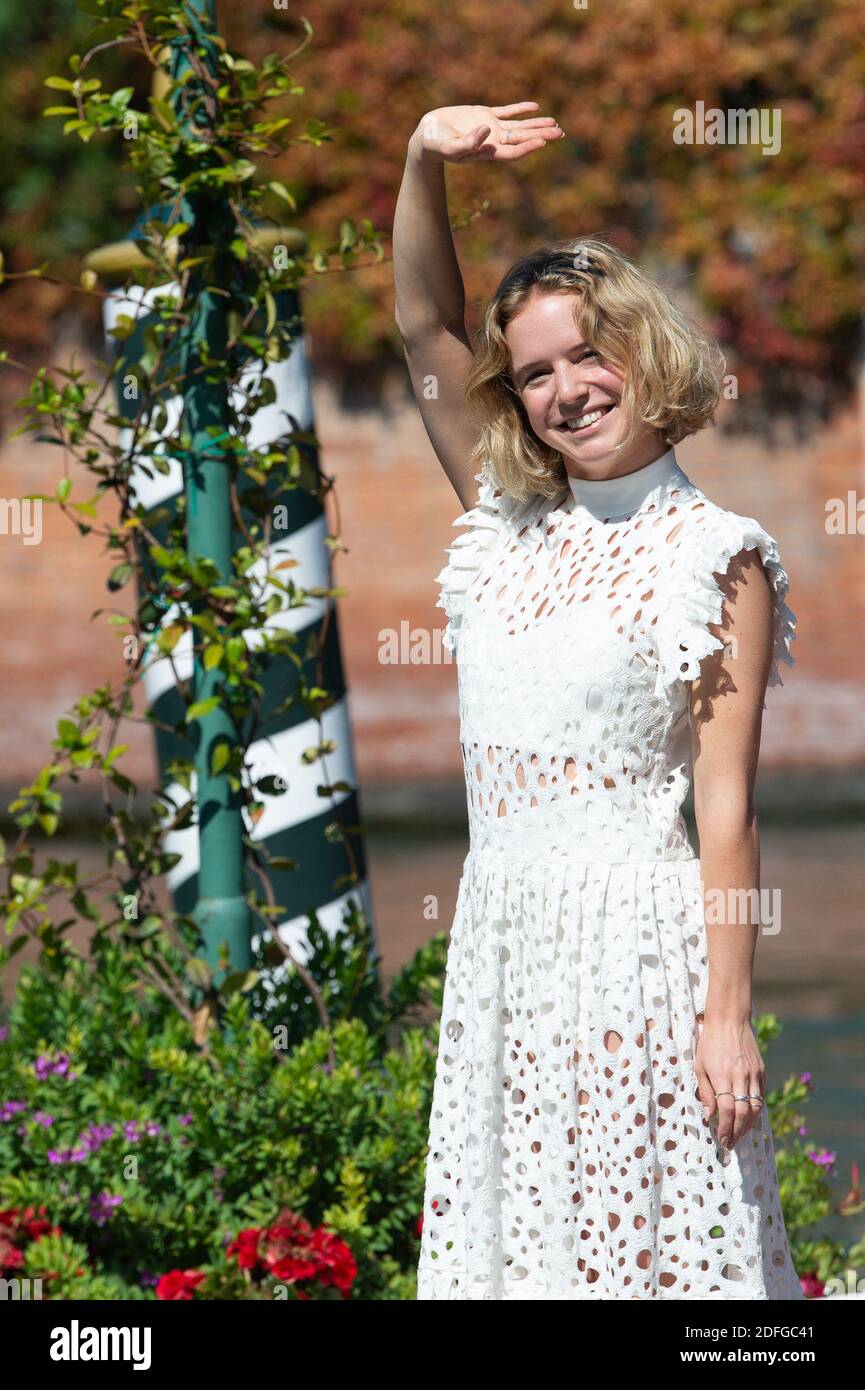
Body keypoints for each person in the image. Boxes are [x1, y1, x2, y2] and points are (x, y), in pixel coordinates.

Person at [394, 102, 805, 1300]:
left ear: (641, 350)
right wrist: (423, 152)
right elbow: (420, 318)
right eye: (533, 372)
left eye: (587, 354)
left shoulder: (713, 553)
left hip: (636, 949)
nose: (566, 389)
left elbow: (724, 811)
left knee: (651, 1265)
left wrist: (726, 1015)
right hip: (506, 944)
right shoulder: (505, 522)